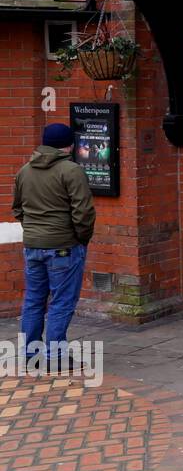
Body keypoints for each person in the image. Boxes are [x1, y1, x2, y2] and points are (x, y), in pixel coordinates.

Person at [13, 123, 95, 364]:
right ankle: (55, 357)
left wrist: (32, 231)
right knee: (61, 301)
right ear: (68, 145)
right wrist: (80, 237)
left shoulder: (24, 170)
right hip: (64, 246)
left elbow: (18, 209)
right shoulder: (71, 171)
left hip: (33, 245)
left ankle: (30, 354)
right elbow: (84, 212)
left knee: (34, 299)